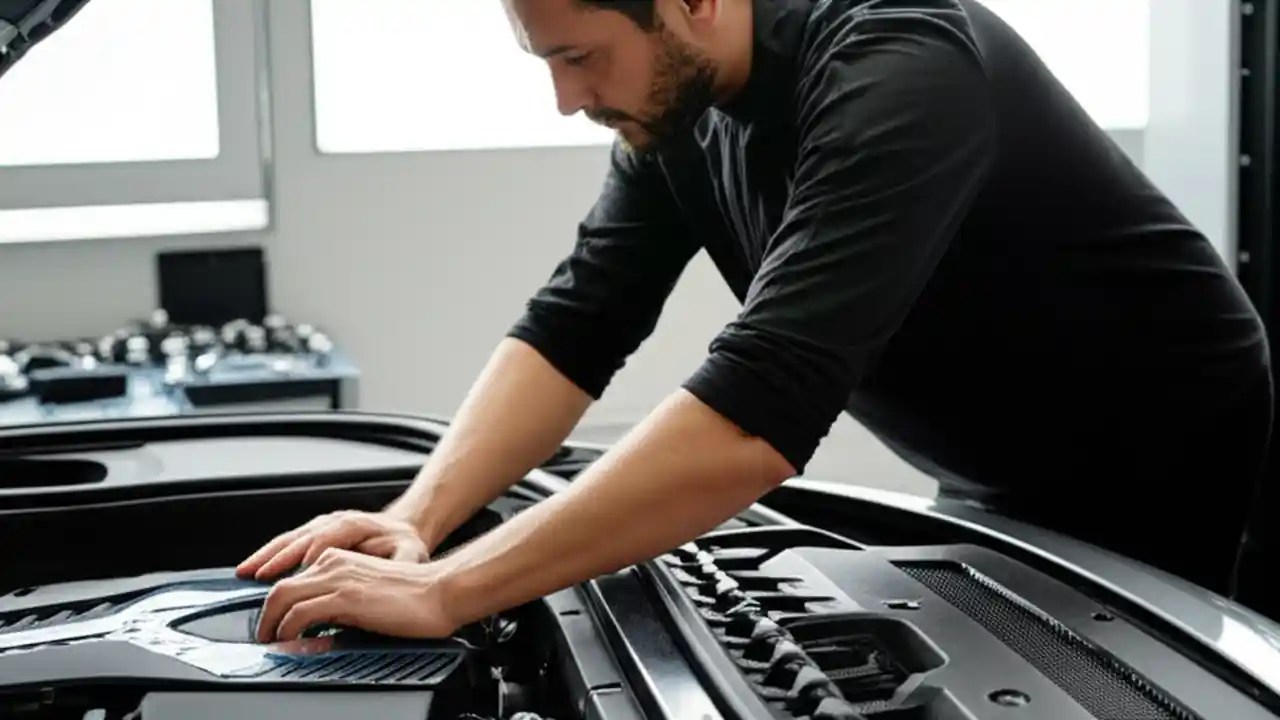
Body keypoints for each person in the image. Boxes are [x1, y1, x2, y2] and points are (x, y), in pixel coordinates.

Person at [240, 0, 1275, 642]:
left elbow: (758, 413)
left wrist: (454, 590)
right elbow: (574, 325)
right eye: (547, 63)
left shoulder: (900, 63)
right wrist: (418, 522)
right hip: (995, 461)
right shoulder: (675, 120)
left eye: (581, 57)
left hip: (1161, 441)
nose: (565, 99)